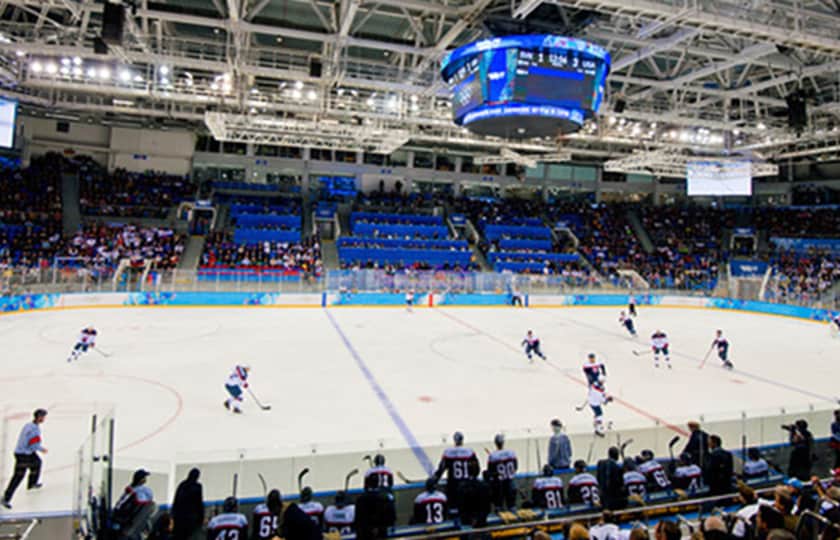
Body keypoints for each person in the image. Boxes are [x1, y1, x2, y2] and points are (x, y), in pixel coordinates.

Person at [2, 408, 48, 509]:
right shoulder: (34, 430)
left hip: (25, 452)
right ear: (39, 417)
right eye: (43, 417)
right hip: (23, 455)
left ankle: (32, 483)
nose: (44, 419)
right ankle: (6, 498)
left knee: (37, 462)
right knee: (18, 476)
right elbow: (33, 445)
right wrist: (42, 449)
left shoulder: (29, 425)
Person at [433, 431, 479, 517]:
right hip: (467, 485)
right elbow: (476, 469)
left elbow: (441, 469)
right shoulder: (470, 452)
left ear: (454, 440)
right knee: (467, 509)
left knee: (453, 510)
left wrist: (434, 479)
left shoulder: (448, 452)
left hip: (453, 486)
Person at [110, 468, 156, 540]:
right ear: (141, 479)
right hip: (131, 525)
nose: (145, 479)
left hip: (124, 523)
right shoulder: (142, 491)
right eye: (144, 477)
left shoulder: (129, 490)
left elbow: (119, 505)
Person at [170, 468, 203, 540]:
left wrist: (173, 514)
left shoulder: (182, 485)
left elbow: (176, 500)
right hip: (191, 518)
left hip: (179, 517)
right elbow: (199, 503)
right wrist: (201, 517)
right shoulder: (197, 487)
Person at [487, 433, 517, 510]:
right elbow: (515, 467)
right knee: (512, 506)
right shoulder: (511, 453)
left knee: (499, 506)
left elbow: (490, 471)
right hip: (510, 481)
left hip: (499, 484)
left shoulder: (493, 456)